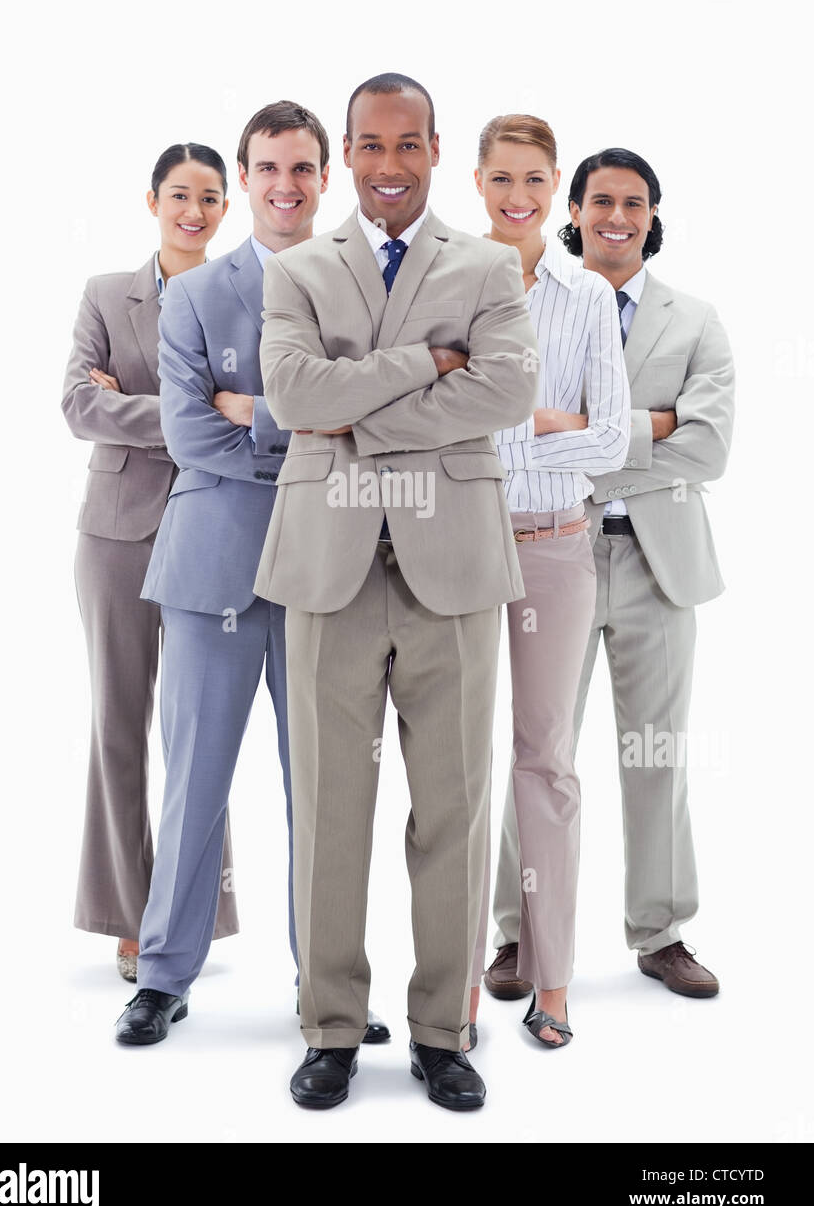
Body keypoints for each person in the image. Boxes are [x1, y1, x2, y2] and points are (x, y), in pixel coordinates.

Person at [254, 72, 540, 1110]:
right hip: (326, 567)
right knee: (330, 808)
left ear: (431, 149)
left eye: (405, 144)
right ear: (346, 152)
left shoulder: (485, 266)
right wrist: (425, 363)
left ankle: (440, 1029)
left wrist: (356, 410)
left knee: (453, 808)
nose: (386, 165)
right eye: (367, 146)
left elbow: (505, 389)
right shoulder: (299, 267)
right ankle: (329, 1026)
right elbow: (290, 392)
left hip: (453, 567)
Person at [115, 102, 390, 1048]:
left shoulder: (362, 290)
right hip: (212, 571)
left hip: (332, 569)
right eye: (268, 168)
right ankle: (162, 975)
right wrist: (309, 422)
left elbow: (381, 419)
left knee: (325, 789)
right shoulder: (192, 297)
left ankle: (330, 989)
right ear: (245, 177)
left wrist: (260, 414)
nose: (286, 185)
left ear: (328, 177)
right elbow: (188, 432)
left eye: (304, 168)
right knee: (195, 778)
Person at [485, 147, 734, 1003]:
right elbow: (505, 427)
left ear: (653, 215)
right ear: (576, 211)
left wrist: (587, 430)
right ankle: (518, 937)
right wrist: (644, 429)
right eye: (600, 202)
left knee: (654, 753)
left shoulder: (695, 320)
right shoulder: (534, 303)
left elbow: (711, 446)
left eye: (633, 203)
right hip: (551, 549)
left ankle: (660, 932)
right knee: (537, 751)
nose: (616, 217)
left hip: (659, 566)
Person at [470, 116, 630, 1047]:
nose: (517, 195)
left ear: (555, 184)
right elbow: (431, 425)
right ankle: (456, 978)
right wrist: (540, 418)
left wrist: (506, 424)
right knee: (456, 765)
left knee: (547, 760)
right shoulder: (451, 282)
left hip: (557, 544)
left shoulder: (589, 298)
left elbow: (609, 440)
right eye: (501, 178)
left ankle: (553, 977)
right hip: (457, 539)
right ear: (479, 182)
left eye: (534, 178)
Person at [63, 143, 236, 982]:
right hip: (118, 535)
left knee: (203, 730)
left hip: (212, 526)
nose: (193, 210)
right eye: (179, 194)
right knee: (120, 725)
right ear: (152, 200)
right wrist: (192, 413)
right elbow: (76, 403)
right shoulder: (106, 295)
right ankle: (132, 915)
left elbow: (255, 413)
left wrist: (133, 405)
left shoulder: (240, 295)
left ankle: (192, 910)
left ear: (227, 208)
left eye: (209, 196)